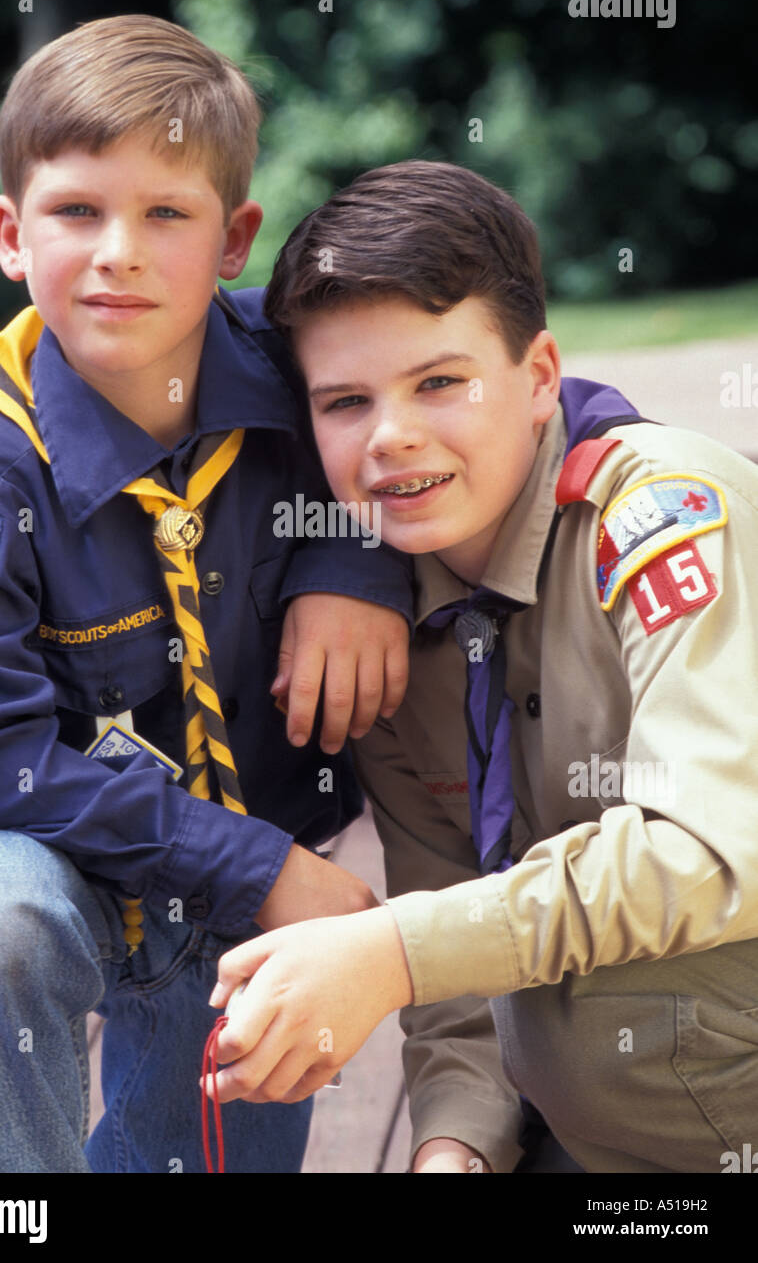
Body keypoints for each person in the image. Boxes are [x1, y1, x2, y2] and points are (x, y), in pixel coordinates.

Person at [0, 16, 414, 1174]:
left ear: (234, 238)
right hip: (64, 864)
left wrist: (352, 561)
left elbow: (504, 403)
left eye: (166, 214)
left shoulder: (299, 362)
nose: (118, 253)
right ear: (12, 236)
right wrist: (258, 869)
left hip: (245, 886)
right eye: (77, 210)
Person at [206, 160, 758, 1174]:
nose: (392, 436)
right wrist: (452, 1145)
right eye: (345, 401)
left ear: (540, 376)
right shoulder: (387, 634)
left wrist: (390, 951)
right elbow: (455, 962)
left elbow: (708, 853)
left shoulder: (662, 518)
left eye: (439, 383)